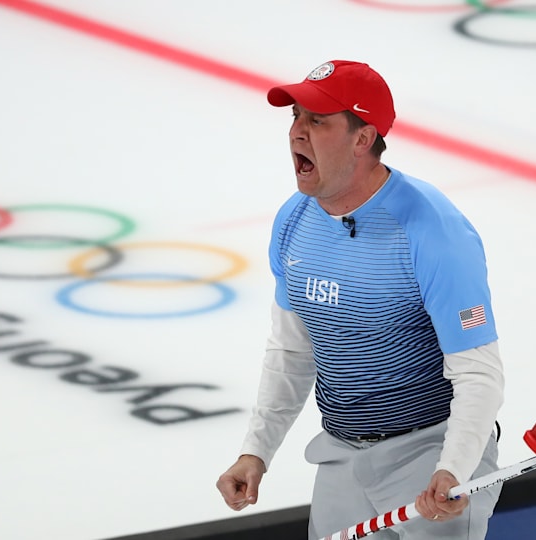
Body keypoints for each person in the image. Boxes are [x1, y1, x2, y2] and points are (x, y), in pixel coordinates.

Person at [216, 59, 505, 540]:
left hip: (429, 457)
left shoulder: (432, 231)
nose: (297, 133)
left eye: (317, 120)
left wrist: (453, 468)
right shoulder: (294, 222)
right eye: (295, 117)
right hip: (341, 455)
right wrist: (256, 451)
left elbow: (478, 372)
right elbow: (292, 351)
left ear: (363, 138)